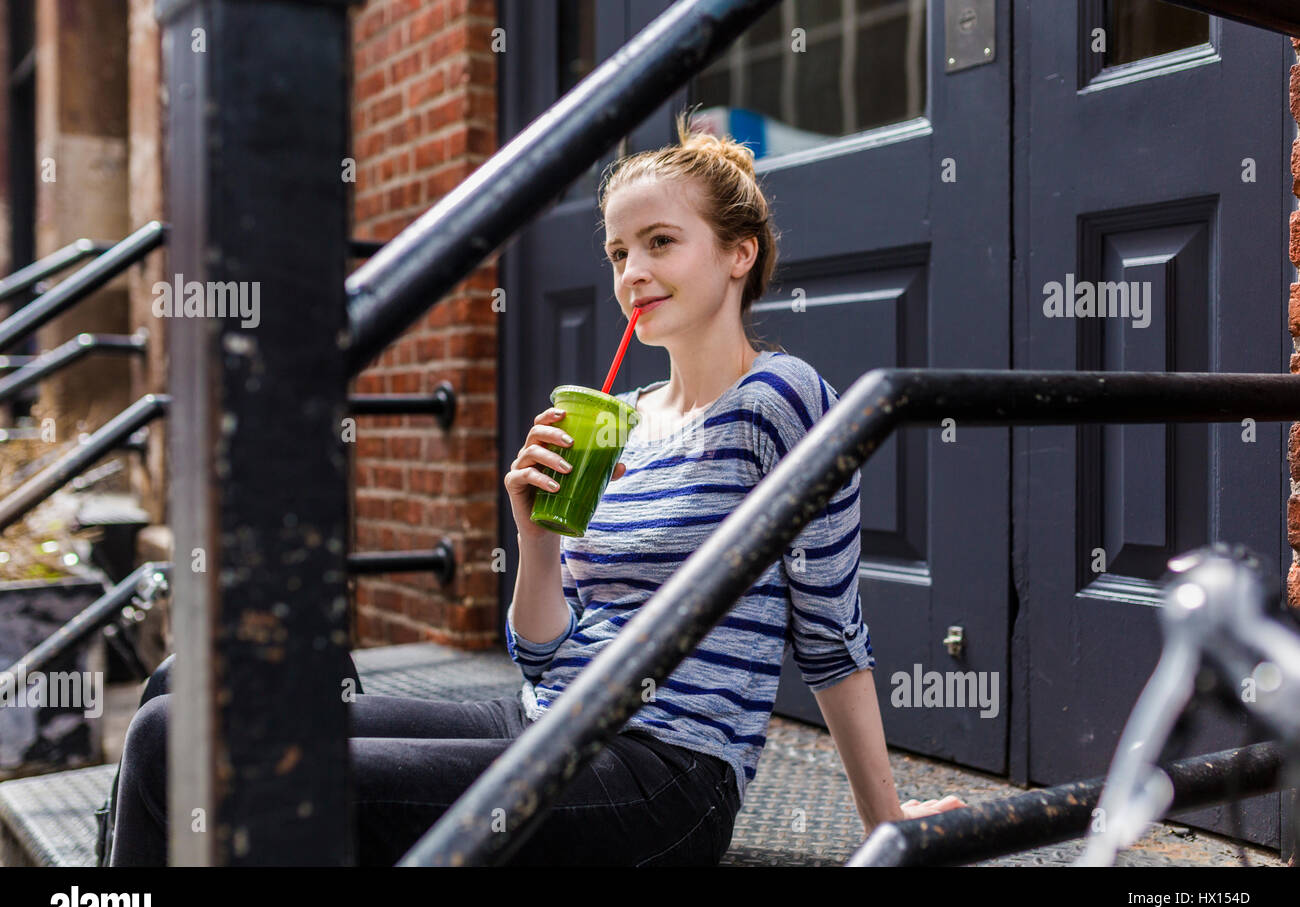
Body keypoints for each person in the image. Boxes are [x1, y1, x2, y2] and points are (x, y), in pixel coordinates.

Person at [107, 107, 962, 868]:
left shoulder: (781, 402)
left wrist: (882, 820)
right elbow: (547, 651)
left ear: (739, 255)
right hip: (548, 713)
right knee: (184, 688)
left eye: (661, 243)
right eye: (619, 251)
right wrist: (539, 544)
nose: (632, 271)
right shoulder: (619, 418)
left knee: (176, 746)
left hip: (663, 772)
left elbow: (828, 629)